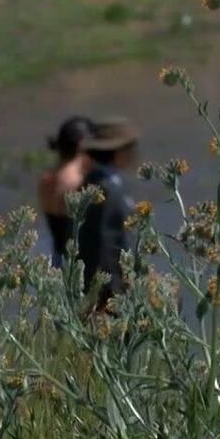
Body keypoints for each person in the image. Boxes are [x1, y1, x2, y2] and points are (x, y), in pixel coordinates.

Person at [77, 117, 140, 310]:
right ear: (120, 152)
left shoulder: (99, 182)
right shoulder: (106, 190)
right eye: (132, 149)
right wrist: (111, 292)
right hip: (111, 291)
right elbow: (104, 245)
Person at [38, 116, 96, 268]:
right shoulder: (77, 181)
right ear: (83, 146)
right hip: (80, 264)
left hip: (57, 258)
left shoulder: (47, 179)